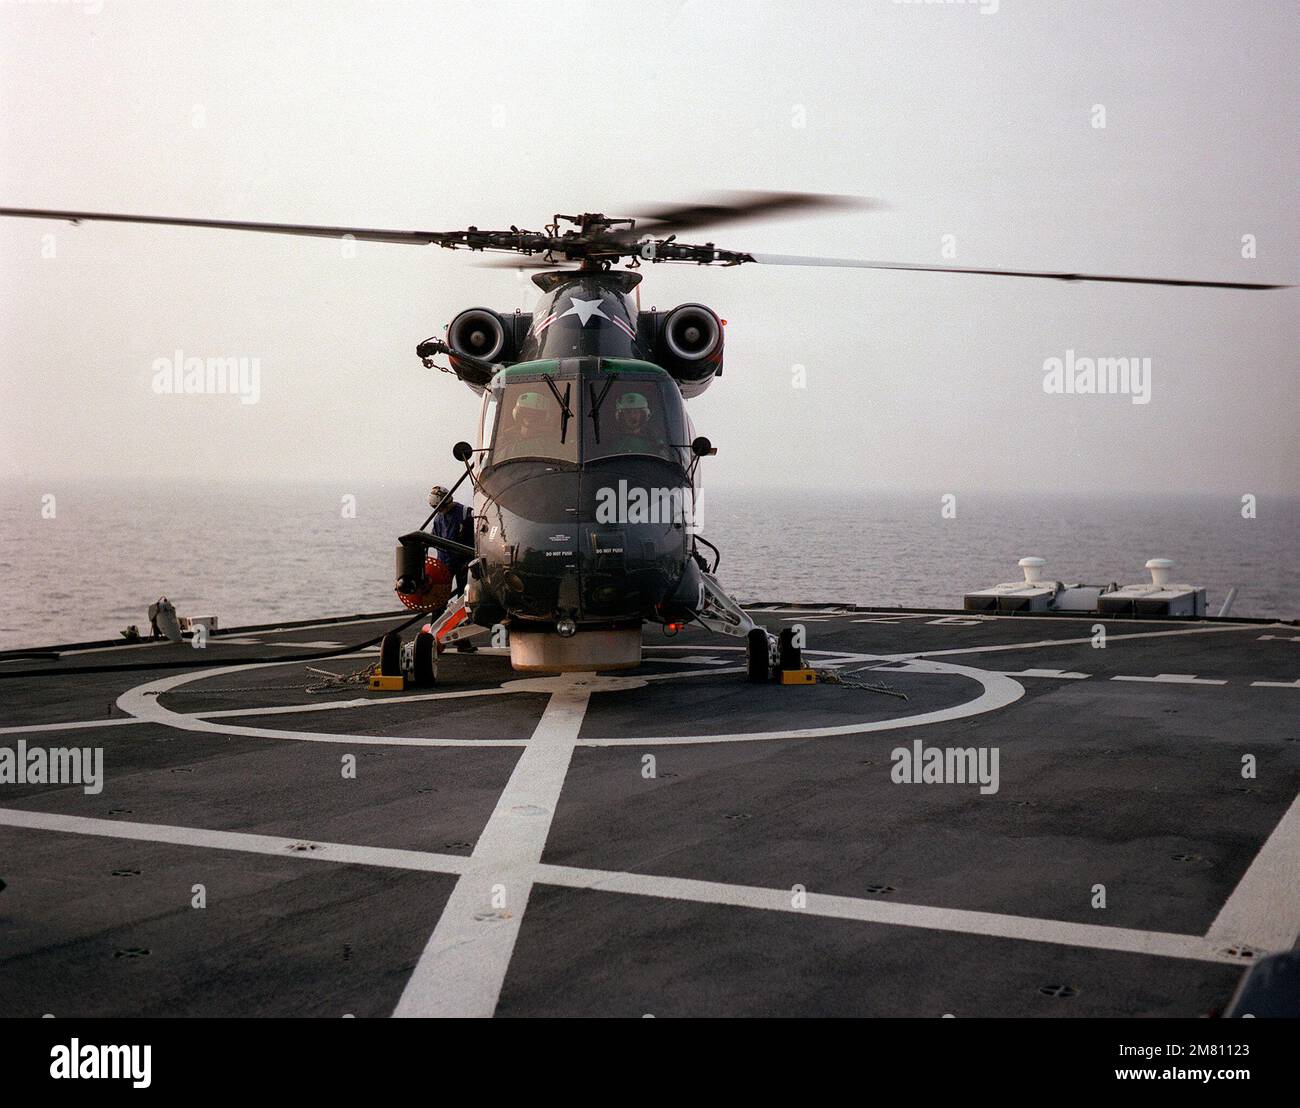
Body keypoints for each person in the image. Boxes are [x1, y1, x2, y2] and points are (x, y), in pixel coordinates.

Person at [427, 485, 476, 652]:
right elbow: (434, 538)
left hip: (462, 564)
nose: (439, 510)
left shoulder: (466, 513)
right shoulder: (438, 517)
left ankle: (461, 641)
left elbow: (477, 537)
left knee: (463, 604)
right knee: (439, 602)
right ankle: (433, 640)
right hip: (445, 564)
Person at [494, 391, 557, 461]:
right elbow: (496, 460)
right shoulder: (505, 437)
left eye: (536, 414)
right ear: (518, 414)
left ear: (544, 417)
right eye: (525, 412)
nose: (530, 417)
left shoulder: (550, 441)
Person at [603, 391, 662, 456]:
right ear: (621, 416)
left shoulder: (654, 439)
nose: (632, 416)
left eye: (636, 412)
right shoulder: (612, 440)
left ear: (643, 415)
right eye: (628, 412)